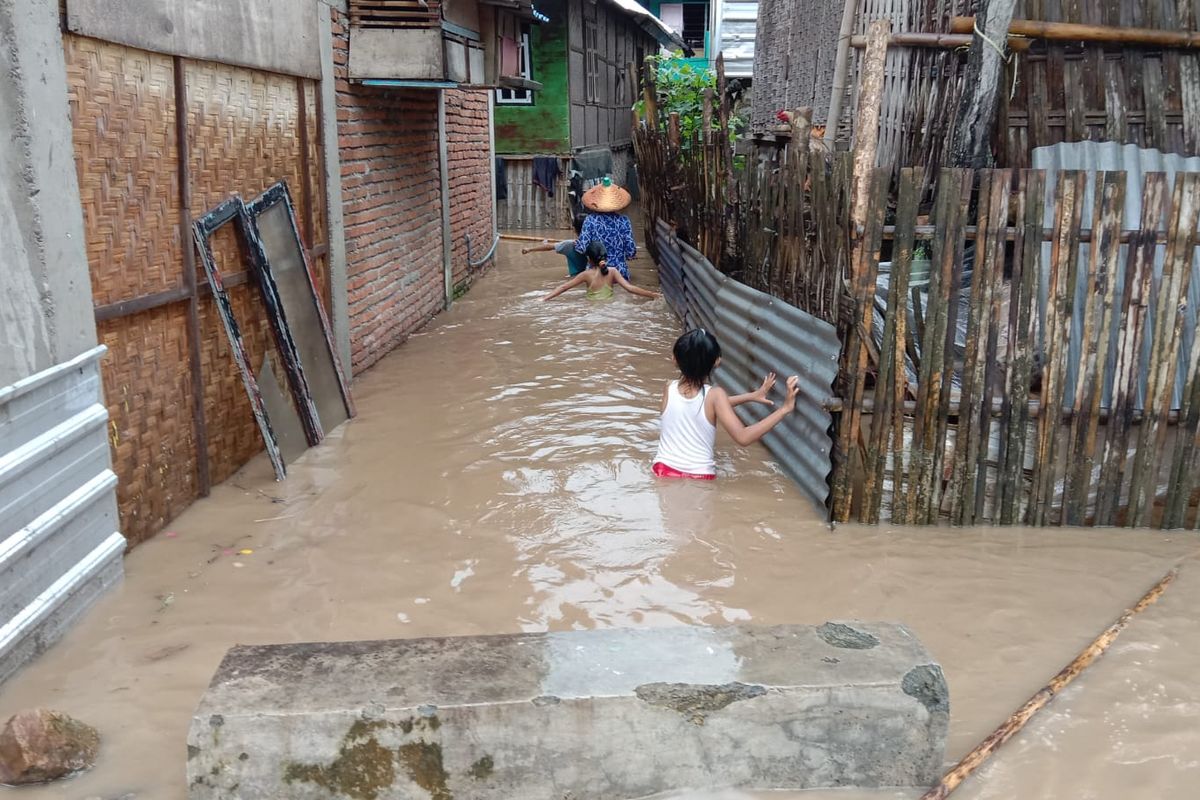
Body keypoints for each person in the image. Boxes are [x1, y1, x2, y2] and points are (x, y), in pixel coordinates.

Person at [653, 329, 799, 480]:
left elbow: (700, 408)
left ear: (674, 359)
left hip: (662, 471)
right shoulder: (716, 395)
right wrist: (784, 409)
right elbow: (743, 437)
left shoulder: (668, 388)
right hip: (700, 476)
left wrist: (752, 396)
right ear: (717, 362)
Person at [542, 241, 660, 302]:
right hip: (609, 307)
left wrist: (544, 298)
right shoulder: (613, 271)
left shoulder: (585, 274)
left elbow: (564, 287)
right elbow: (630, 288)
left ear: (588, 258)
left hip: (592, 309)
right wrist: (653, 295)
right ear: (605, 256)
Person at [575, 177, 637, 280]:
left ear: (596, 201)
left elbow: (581, 248)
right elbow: (631, 251)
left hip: (596, 273)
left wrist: (577, 244)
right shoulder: (624, 220)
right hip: (619, 273)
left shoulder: (590, 220)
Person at [521, 215, 589, 276]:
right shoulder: (595, 244)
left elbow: (548, 247)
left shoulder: (569, 245)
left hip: (576, 278)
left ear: (574, 229)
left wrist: (530, 249)